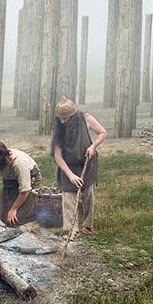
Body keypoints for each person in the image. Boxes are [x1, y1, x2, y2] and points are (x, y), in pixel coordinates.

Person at [51, 97, 107, 240]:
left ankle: (88, 225)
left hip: (87, 163)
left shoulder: (85, 118)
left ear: (73, 115)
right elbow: (57, 156)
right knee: (68, 198)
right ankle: (72, 230)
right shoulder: (58, 127)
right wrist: (70, 175)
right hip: (67, 166)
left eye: (65, 118)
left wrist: (93, 146)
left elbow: (102, 132)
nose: (62, 121)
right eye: (60, 118)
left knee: (89, 195)